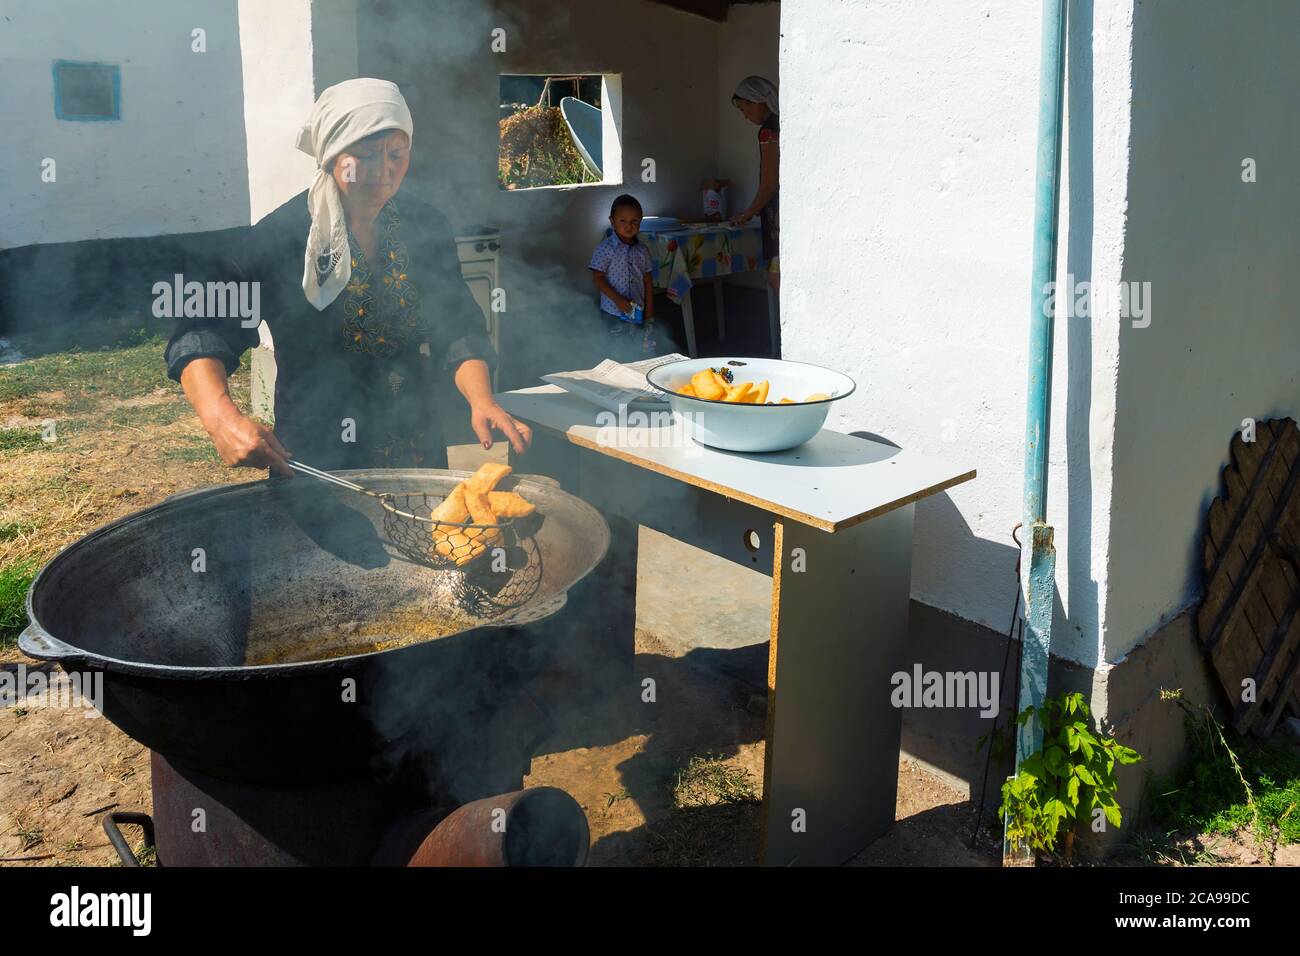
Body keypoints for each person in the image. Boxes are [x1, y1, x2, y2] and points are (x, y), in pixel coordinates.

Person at [165, 78, 531, 476]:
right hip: (317, 451)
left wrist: (482, 400)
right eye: (367, 155)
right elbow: (199, 330)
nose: (384, 170)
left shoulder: (424, 225)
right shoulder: (282, 238)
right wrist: (221, 420)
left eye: (397, 153)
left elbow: (456, 324)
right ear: (332, 155)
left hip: (415, 441)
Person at [588, 193, 657, 364]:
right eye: (622, 221)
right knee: (615, 352)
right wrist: (618, 300)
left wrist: (649, 311)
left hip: (638, 313)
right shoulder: (606, 249)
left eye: (635, 221)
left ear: (641, 222)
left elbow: (648, 281)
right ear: (612, 221)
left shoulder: (643, 251)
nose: (629, 226)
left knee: (637, 350)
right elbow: (597, 278)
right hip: (613, 312)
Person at [729, 76, 780, 298]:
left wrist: (746, 214)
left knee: (777, 278)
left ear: (756, 101)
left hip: (778, 216)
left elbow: (769, 184)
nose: (745, 115)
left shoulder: (768, 132)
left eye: (744, 108)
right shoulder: (784, 122)